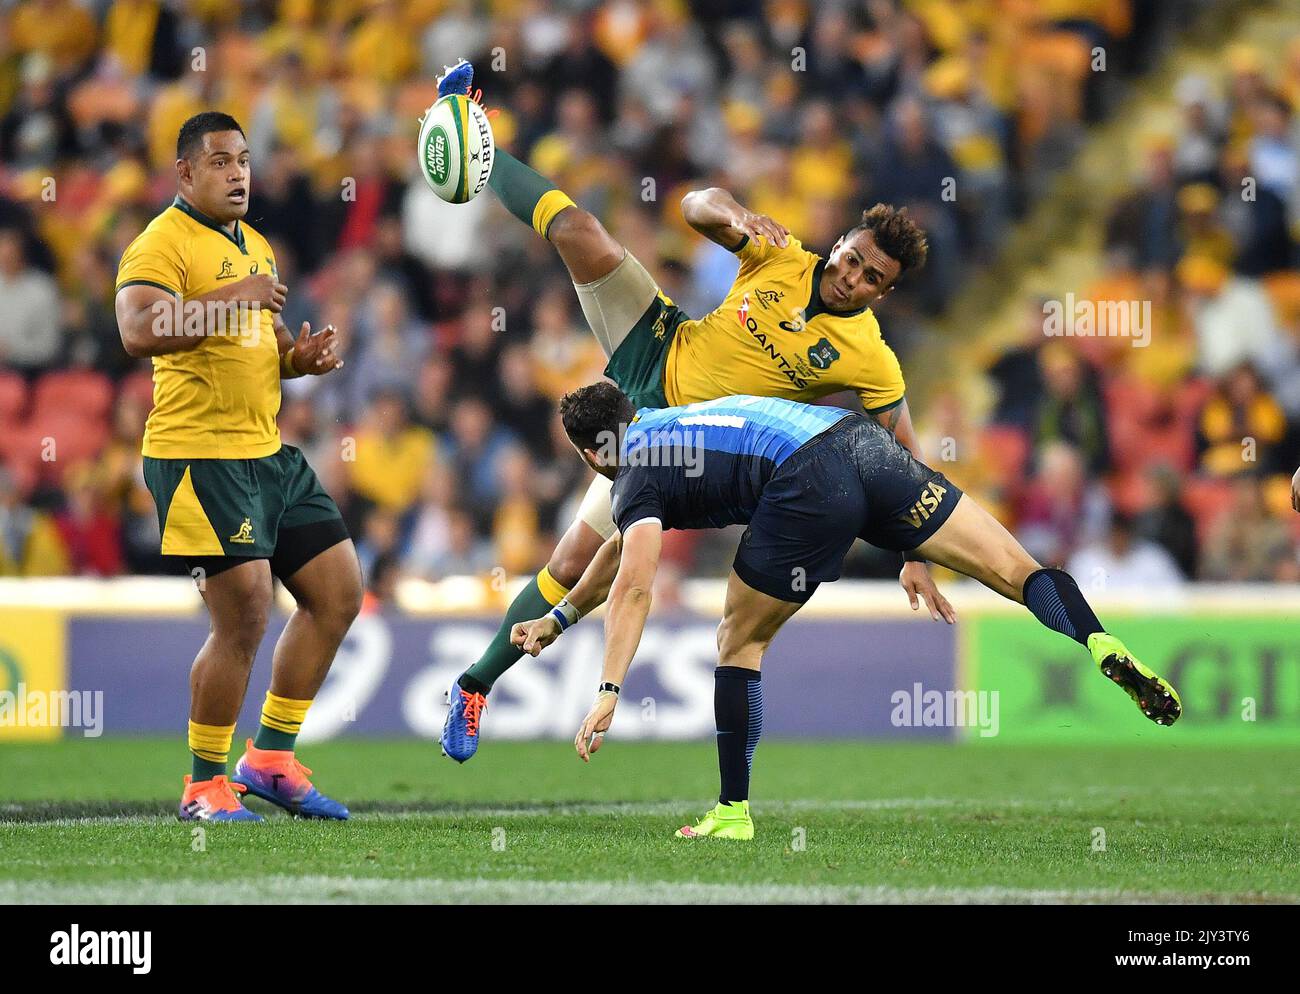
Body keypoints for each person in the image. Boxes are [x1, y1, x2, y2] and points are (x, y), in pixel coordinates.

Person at [432, 59, 950, 762]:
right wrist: (735, 213)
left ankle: (472, 687)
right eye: (853, 257)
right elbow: (693, 205)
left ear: (883, 292)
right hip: (661, 347)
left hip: (678, 443)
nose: (851, 275)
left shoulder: (870, 357)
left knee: (573, 560)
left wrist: (914, 552)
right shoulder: (783, 256)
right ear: (843, 243)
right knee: (582, 229)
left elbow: (907, 455)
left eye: (870, 278)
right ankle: (473, 134)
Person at [511, 384, 1182, 841]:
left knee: (737, 643)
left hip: (808, 479)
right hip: (862, 444)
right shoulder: (672, 422)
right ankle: (1096, 641)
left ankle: (732, 811)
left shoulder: (632, 470)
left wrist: (607, 690)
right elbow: (621, 554)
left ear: (588, 450)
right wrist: (561, 618)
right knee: (1019, 571)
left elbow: (634, 586)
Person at [115, 112, 360, 822]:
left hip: (266, 450)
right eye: (221, 161)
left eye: (244, 161)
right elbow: (138, 331)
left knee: (339, 591)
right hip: (198, 455)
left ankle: (272, 761)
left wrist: (298, 359)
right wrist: (234, 299)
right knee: (247, 612)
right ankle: (203, 786)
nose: (238, 174)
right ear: (185, 173)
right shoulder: (159, 243)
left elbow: (267, 339)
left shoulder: (255, 246)